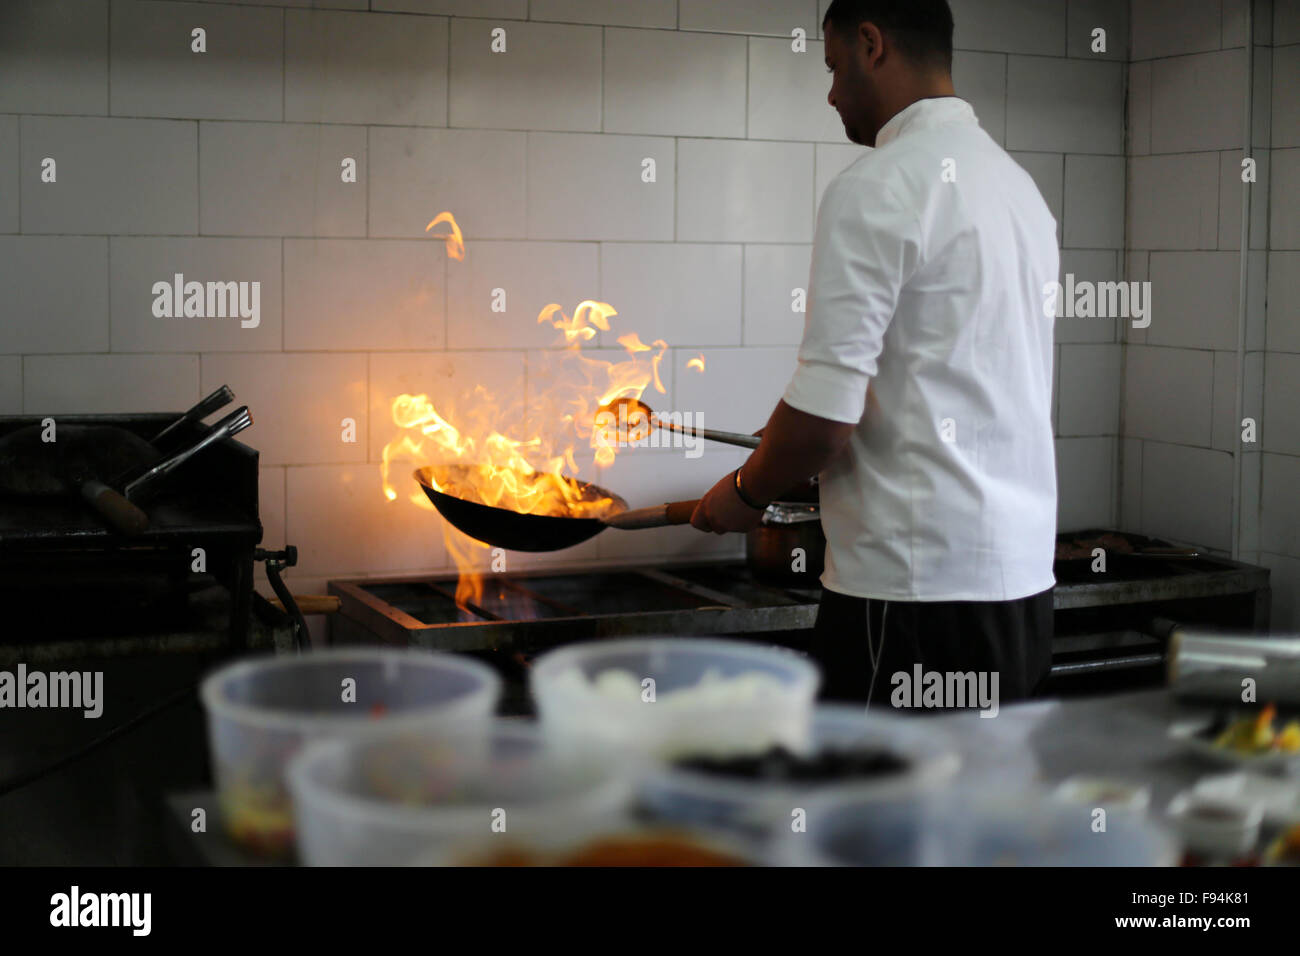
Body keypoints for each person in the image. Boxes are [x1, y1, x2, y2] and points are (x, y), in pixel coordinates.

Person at [689, 0, 1058, 707]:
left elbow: (826, 417)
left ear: (871, 44)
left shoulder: (878, 186)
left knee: (880, 815)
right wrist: (791, 454)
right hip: (1020, 595)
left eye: (832, 67)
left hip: (911, 598)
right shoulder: (1020, 191)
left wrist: (746, 494)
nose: (830, 94)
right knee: (980, 809)